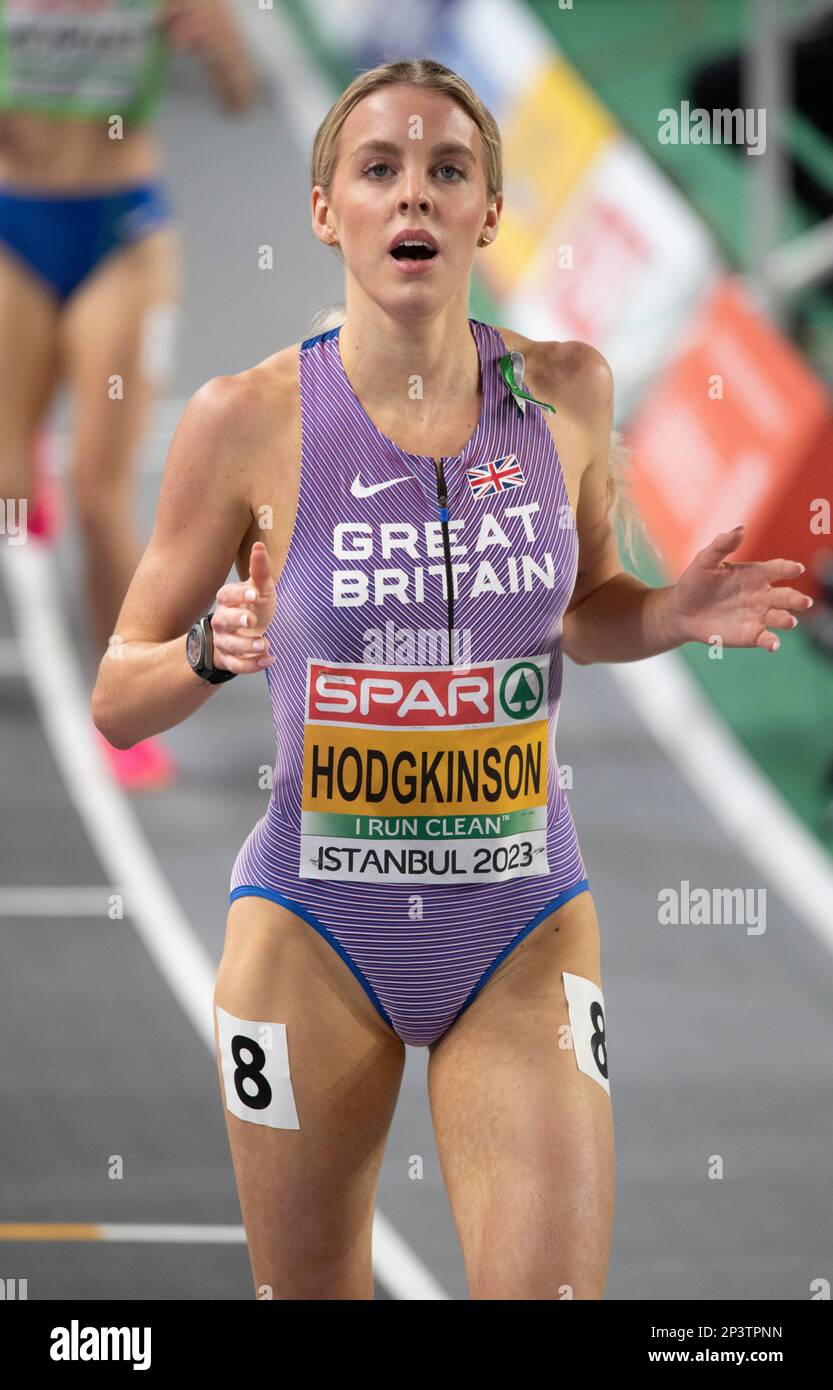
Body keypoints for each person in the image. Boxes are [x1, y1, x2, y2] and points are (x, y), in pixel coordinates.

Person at [90, 58, 812, 1299]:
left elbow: (586, 615)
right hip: (311, 931)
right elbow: (115, 697)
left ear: (488, 210)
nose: (411, 195)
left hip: (519, 924)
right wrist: (211, 649)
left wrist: (670, 613)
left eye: (446, 171)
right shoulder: (244, 420)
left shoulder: (565, 390)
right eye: (378, 170)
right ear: (327, 210)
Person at [0, 0, 257, 787]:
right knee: (8, 487)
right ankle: (22, 468)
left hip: (124, 228)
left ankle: (125, 707)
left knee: (97, 490)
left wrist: (218, 45)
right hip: (14, 221)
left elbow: (239, 95)